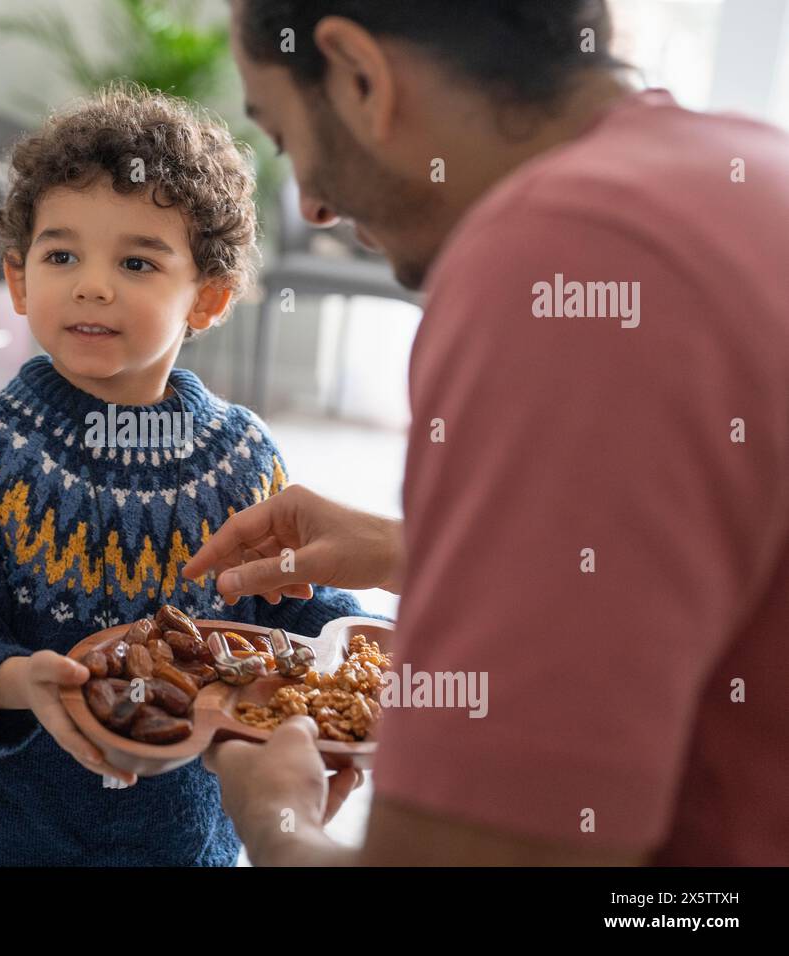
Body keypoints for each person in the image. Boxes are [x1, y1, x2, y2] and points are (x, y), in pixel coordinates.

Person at [185, 0, 789, 865]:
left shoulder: (562, 260)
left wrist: (275, 820)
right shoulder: (745, 164)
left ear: (359, 73)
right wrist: (415, 553)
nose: (312, 206)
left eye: (284, 137)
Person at [0, 84, 370, 866]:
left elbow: (294, 611)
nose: (92, 284)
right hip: (10, 830)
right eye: (61, 254)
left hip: (186, 831)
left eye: (137, 261)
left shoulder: (245, 457)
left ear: (206, 299)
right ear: (18, 279)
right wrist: (16, 679)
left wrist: (359, 645)